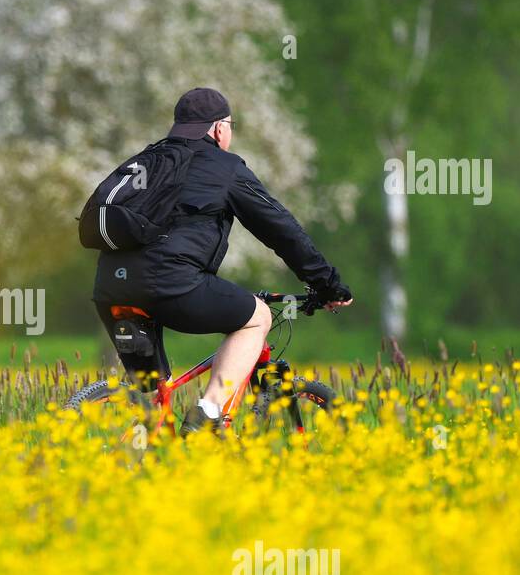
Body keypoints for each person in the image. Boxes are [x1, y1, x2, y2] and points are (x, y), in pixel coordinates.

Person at [93, 87, 352, 434]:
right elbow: (282, 229)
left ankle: (143, 462)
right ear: (218, 129)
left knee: (154, 399)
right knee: (256, 317)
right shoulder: (225, 168)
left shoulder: (146, 160)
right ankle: (207, 415)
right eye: (230, 125)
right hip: (169, 285)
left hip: (111, 288)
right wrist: (327, 284)